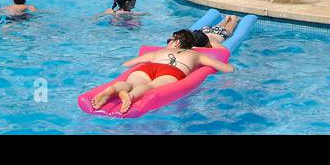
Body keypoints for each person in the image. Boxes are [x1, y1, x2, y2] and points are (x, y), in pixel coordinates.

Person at [88, 29, 235, 115]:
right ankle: (131, 97)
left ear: (176, 42)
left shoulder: (158, 52)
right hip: (172, 71)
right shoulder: (196, 55)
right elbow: (227, 69)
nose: (167, 43)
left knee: (130, 82)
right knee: (151, 87)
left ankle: (116, 89)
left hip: (148, 67)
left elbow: (127, 64)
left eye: (169, 40)